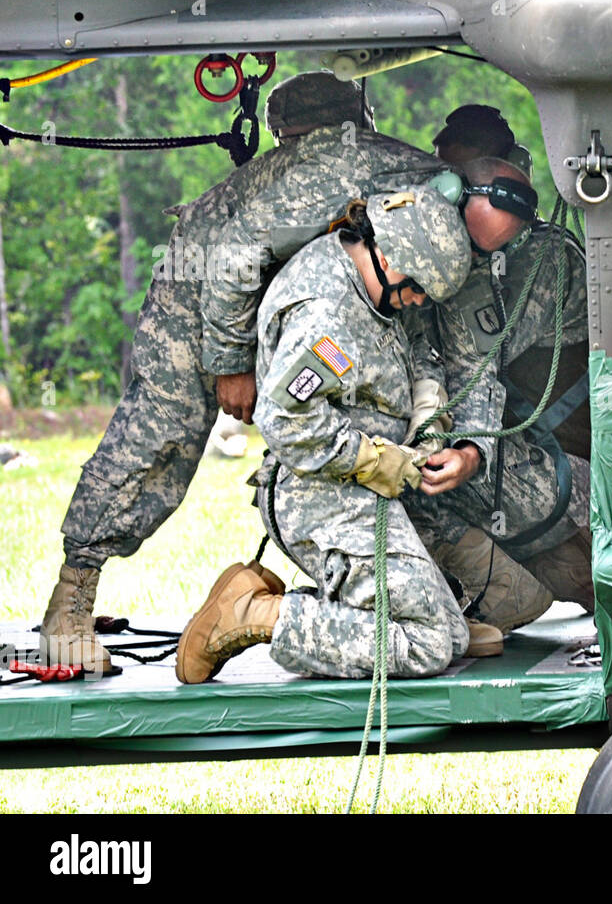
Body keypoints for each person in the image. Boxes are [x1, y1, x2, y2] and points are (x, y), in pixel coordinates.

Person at [40, 71, 456, 674]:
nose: (291, 150)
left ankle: (405, 603)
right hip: (199, 282)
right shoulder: (354, 172)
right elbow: (232, 258)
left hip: (255, 290)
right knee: (163, 436)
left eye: (295, 137)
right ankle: (70, 604)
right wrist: (231, 363)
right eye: (290, 139)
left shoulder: (384, 183)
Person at [175, 186, 475, 682]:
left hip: (356, 491)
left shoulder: (378, 284)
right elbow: (285, 420)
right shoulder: (326, 317)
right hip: (318, 494)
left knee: (453, 635)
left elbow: (418, 347)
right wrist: (376, 461)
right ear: (389, 254)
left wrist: (427, 425)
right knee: (425, 644)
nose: (419, 300)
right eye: (418, 287)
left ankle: (262, 598)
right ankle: (257, 616)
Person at [405, 156, 593, 633]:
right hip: (547, 474)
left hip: (564, 478)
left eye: (487, 253)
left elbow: (470, 371)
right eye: (469, 246)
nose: (470, 263)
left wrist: (470, 452)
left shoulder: (539, 265)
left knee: (403, 468)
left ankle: (471, 597)